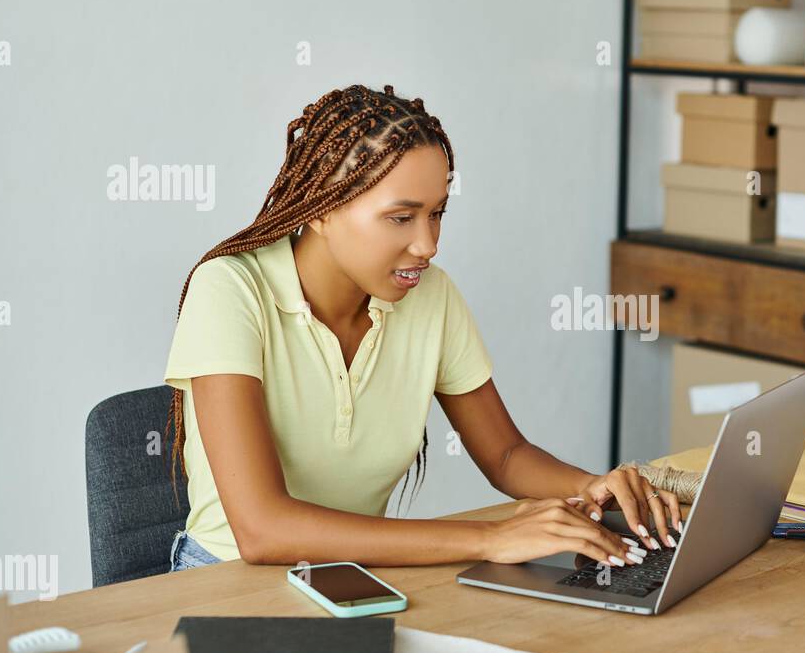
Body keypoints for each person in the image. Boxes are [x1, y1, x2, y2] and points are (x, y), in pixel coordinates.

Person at [164, 84, 681, 574]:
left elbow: (506, 454)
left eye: (437, 214)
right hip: (226, 579)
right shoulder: (229, 291)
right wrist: (491, 538)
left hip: (359, 574)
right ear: (321, 208)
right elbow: (264, 531)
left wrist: (595, 486)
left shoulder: (429, 295)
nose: (428, 244)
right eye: (401, 217)